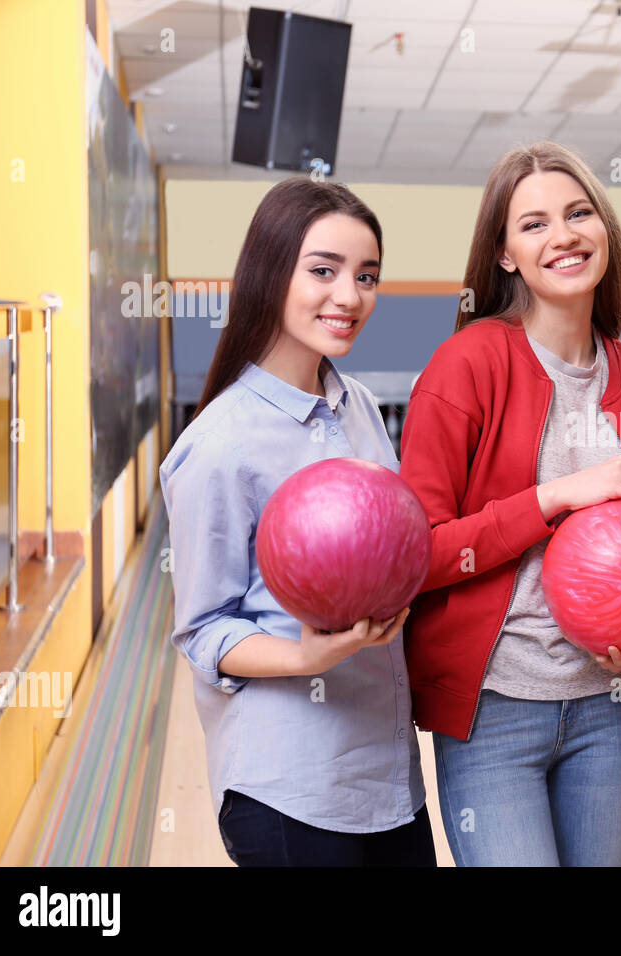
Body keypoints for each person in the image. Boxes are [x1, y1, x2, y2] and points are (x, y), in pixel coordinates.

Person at [398, 141, 621, 866]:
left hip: (607, 708)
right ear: (506, 254)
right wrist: (552, 497)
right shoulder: (467, 365)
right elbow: (417, 554)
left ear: (605, 230)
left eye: (580, 213)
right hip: (494, 714)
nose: (565, 235)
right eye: (535, 223)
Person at [160, 178, 435, 867]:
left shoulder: (361, 407)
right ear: (269, 273)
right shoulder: (220, 443)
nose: (349, 296)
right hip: (290, 788)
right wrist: (308, 658)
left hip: (389, 780)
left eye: (366, 276)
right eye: (323, 271)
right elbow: (204, 629)